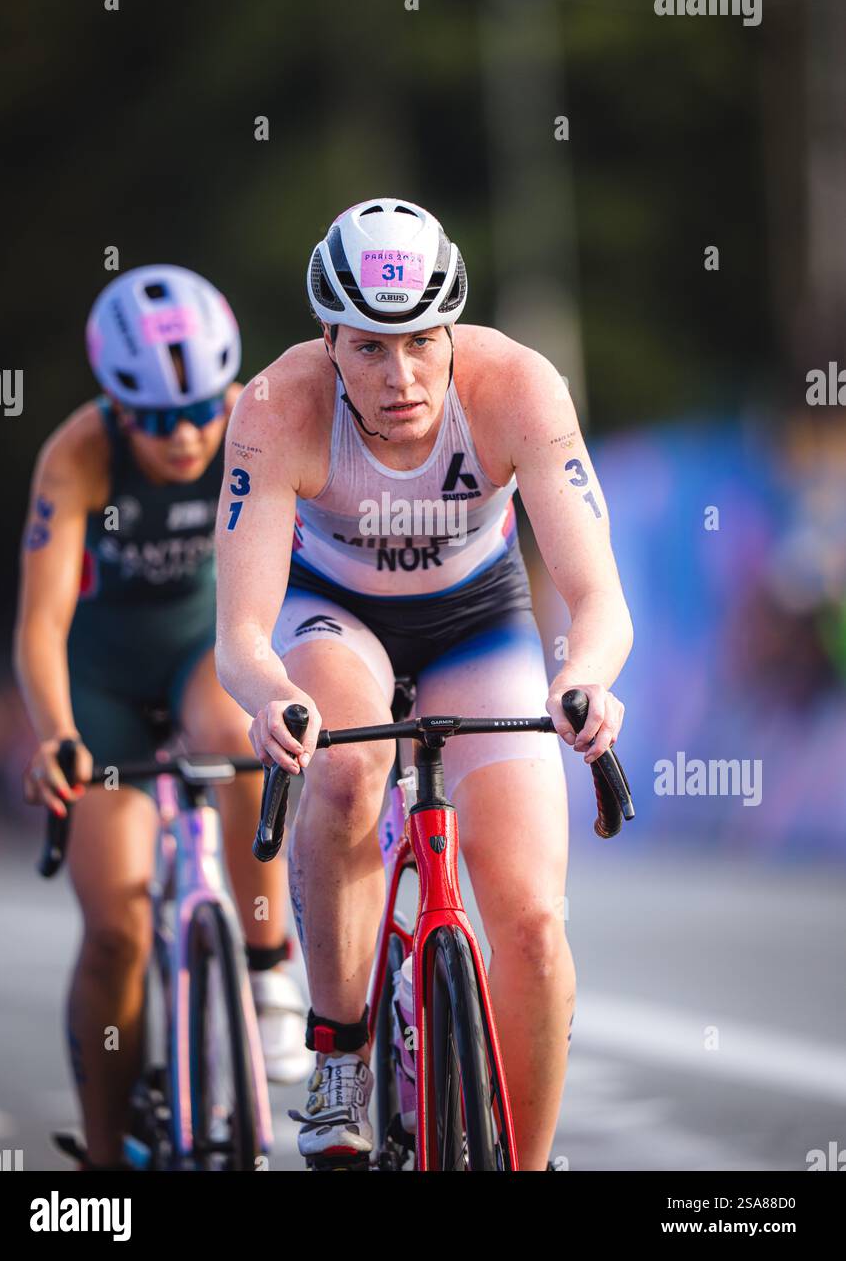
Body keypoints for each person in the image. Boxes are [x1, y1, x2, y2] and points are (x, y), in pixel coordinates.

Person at [214, 199, 633, 1171]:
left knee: (528, 921)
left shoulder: (518, 388)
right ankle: (337, 1054)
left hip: (474, 618)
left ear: (452, 330)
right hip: (335, 618)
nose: (399, 377)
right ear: (327, 341)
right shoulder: (276, 408)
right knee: (349, 769)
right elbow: (239, 628)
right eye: (366, 349)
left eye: (419, 343)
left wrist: (584, 675)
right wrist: (271, 696)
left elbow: (595, 595)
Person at [13, 264, 311, 1171]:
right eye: (152, 418)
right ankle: (104, 1165)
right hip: (101, 679)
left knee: (231, 735)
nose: (182, 438)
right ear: (115, 404)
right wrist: (57, 732)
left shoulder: (255, 423)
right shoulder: (78, 453)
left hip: (201, 654)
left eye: (197, 411)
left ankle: (266, 972)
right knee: (116, 930)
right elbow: (42, 621)